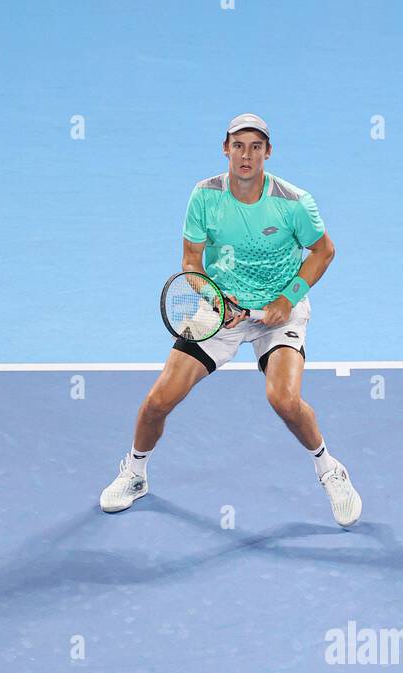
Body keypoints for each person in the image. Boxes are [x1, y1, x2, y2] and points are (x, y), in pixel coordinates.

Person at [99, 113, 361, 526]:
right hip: (221, 308)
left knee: (284, 400)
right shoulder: (204, 196)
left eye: (256, 147)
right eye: (238, 145)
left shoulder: (294, 202)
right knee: (158, 401)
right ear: (226, 148)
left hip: (278, 312)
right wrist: (216, 300)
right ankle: (134, 472)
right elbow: (191, 262)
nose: (246, 155)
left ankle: (329, 470)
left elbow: (324, 251)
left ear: (267, 153)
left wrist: (288, 297)